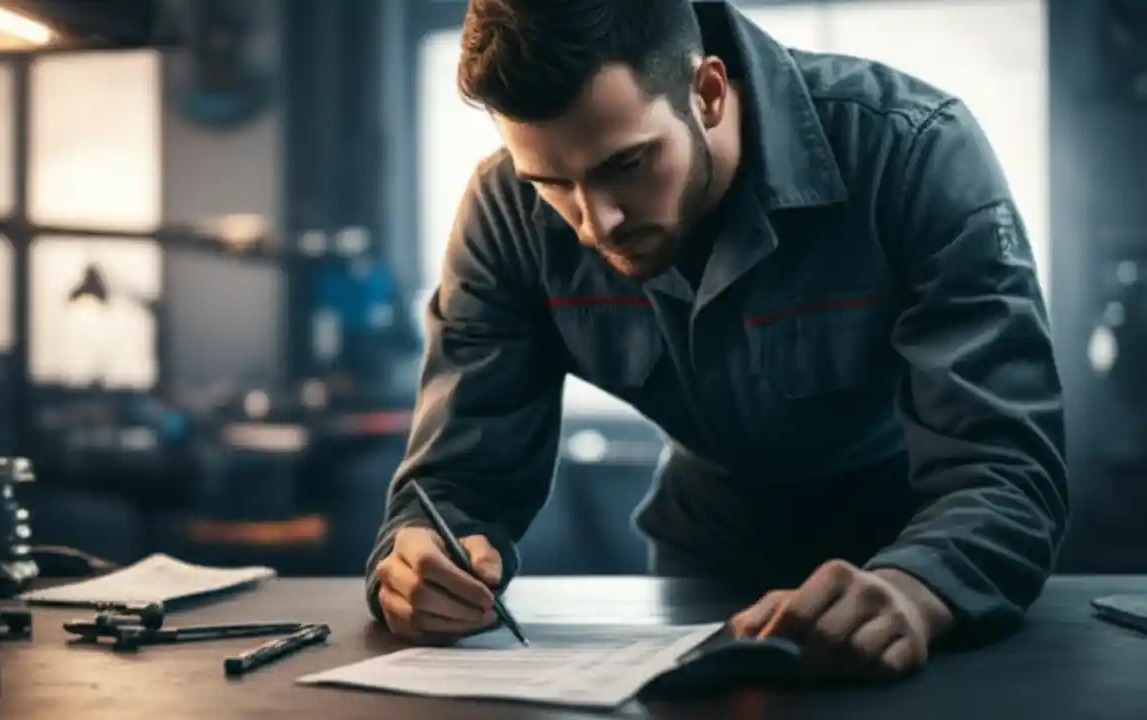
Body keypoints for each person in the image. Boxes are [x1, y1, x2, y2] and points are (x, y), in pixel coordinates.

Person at [366, 0, 1066, 681]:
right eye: (551, 182)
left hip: (924, 544)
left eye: (625, 165)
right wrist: (421, 560)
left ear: (706, 91)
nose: (594, 223)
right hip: (706, 559)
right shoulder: (503, 214)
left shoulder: (913, 150)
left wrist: (920, 586)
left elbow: (1005, 466)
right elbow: (456, 482)